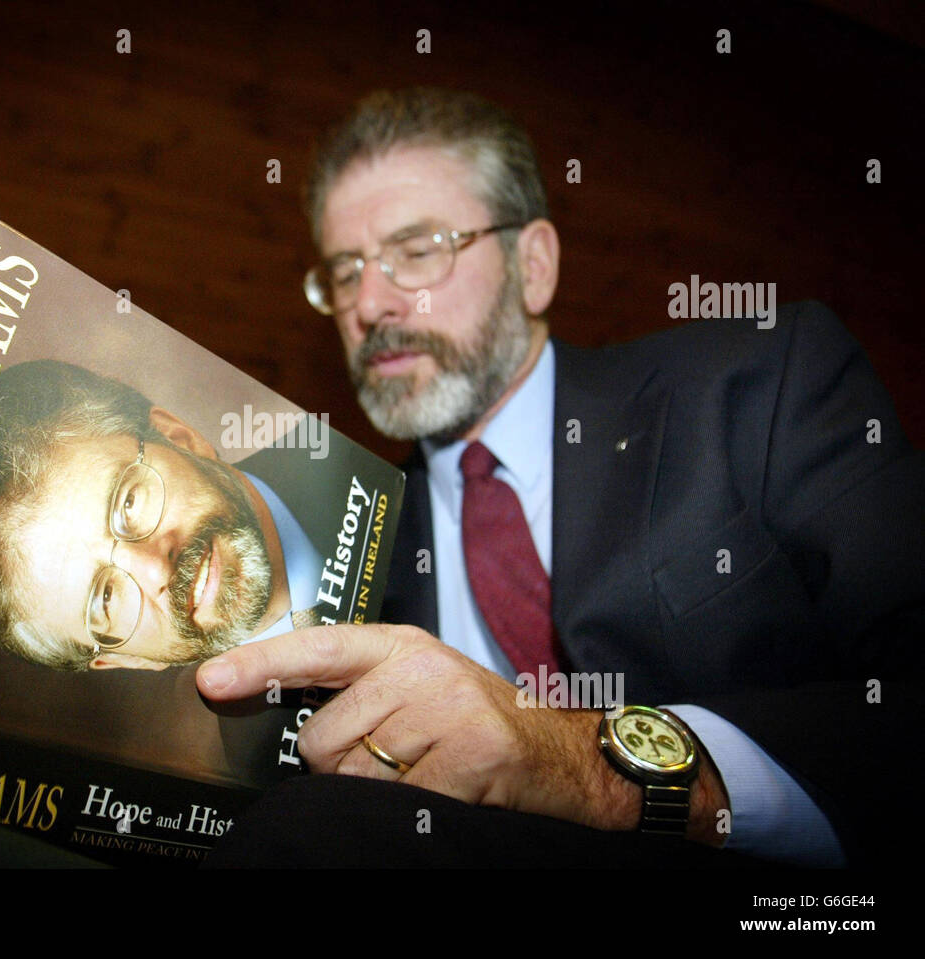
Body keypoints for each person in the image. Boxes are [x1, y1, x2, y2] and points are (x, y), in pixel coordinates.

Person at [195, 87, 924, 867]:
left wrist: (592, 767)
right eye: (344, 274)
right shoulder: (354, 549)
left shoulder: (761, 387)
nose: (370, 303)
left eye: (417, 251)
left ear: (533, 265)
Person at [0, 359, 327, 671]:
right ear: (127, 661)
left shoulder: (341, 426)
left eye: (129, 504)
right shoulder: (259, 771)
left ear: (179, 438)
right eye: (106, 597)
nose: (155, 570)